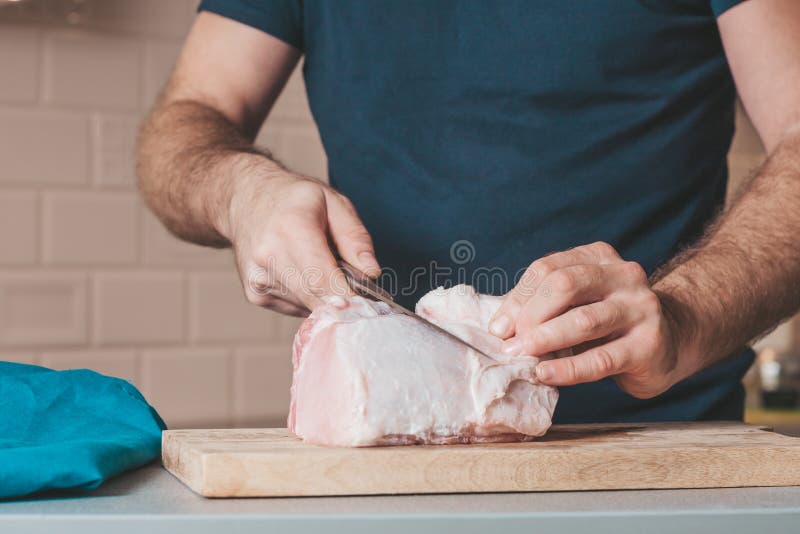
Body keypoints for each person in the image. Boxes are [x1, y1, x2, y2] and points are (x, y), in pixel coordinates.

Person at [136, 0, 800, 424]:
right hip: (390, 455)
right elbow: (184, 123)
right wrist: (240, 190)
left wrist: (683, 315)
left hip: (657, 457)